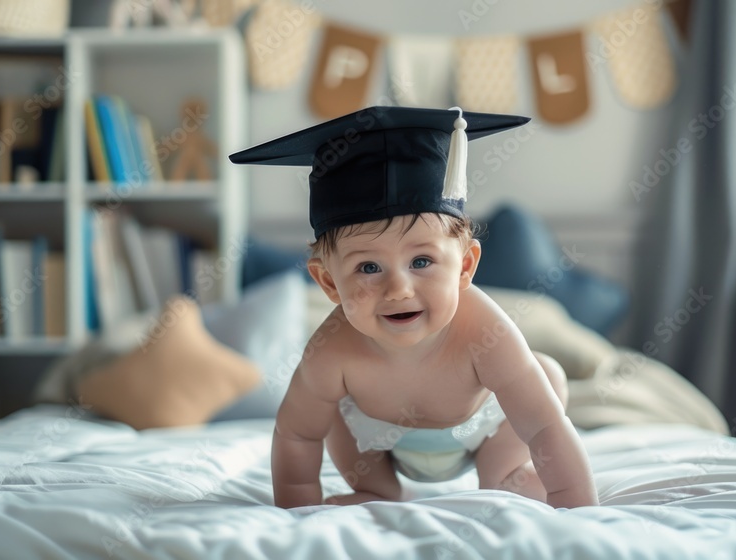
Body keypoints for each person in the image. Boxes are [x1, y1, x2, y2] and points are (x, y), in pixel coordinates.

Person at [229, 106, 598, 509]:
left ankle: (503, 474)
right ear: (329, 283)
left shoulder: (485, 332)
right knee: (327, 409)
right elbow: (297, 434)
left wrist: (577, 505)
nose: (398, 289)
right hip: (376, 442)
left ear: (465, 267)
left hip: (484, 427)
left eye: (422, 262)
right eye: (368, 267)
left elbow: (544, 425)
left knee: (545, 376)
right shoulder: (331, 349)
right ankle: (376, 491)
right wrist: (296, 509)